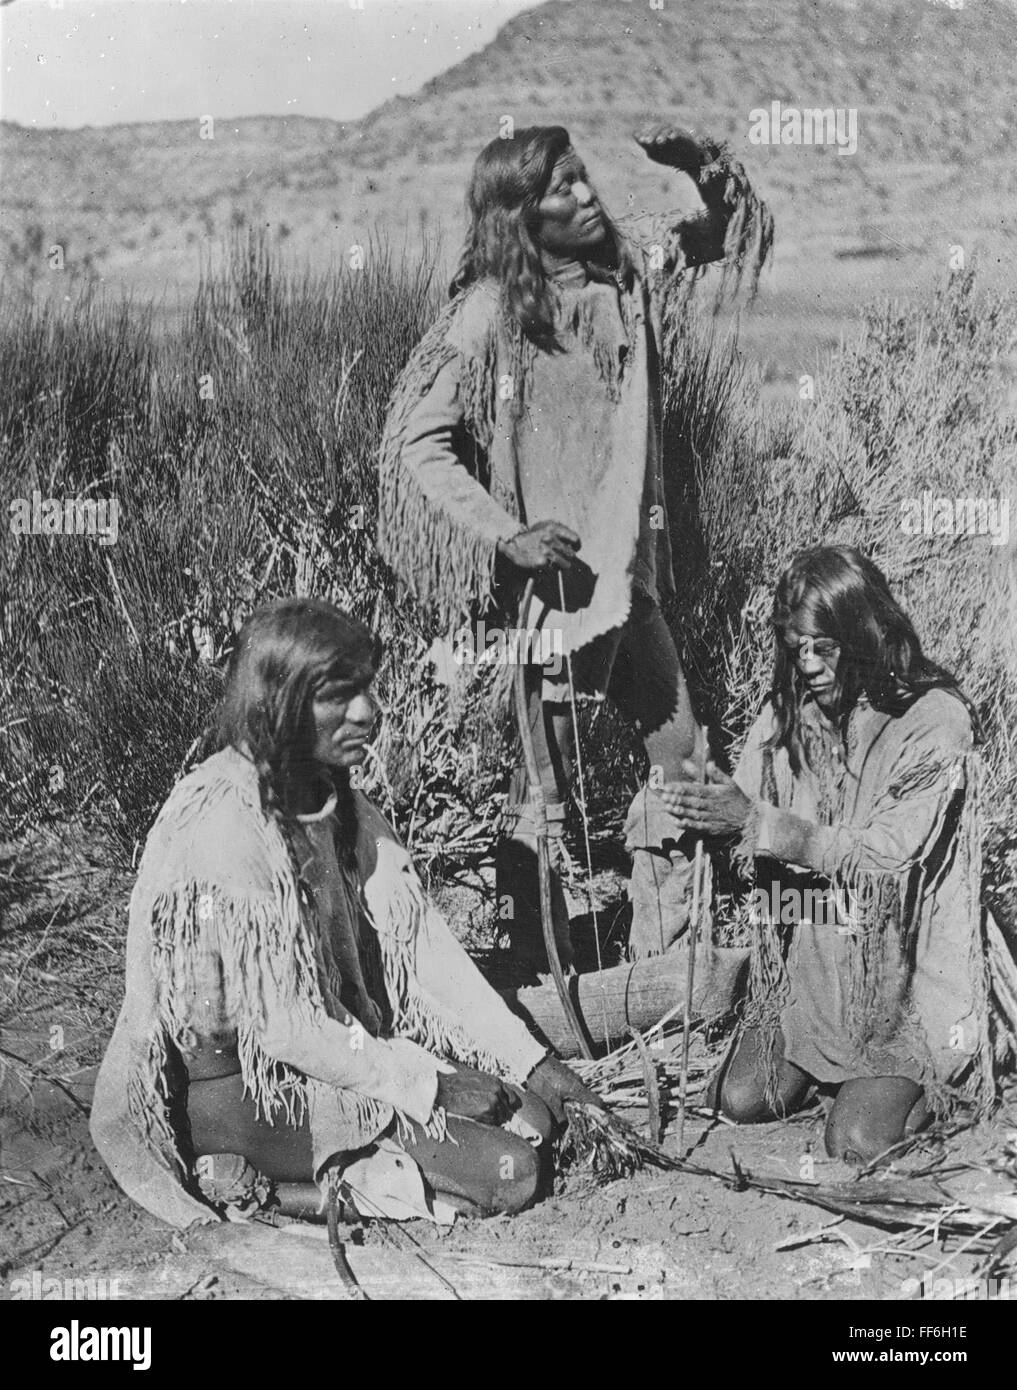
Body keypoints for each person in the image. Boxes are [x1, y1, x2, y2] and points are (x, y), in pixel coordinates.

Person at [378, 122, 772, 974]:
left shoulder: (622, 277)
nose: (586, 196)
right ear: (519, 215)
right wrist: (504, 536)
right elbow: (418, 442)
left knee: (682, 755)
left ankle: (670, 956)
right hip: (552, 595)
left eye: (582, 178)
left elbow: (710, 236)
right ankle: (536, 967)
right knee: (543, 788)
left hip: (625, 577)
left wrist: (707, 172)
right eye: (560, 189)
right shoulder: (490, 311)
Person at [90, 598, 601, 1230]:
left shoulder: (338, 803)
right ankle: (263, 1190)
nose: (370, 713)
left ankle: (337, 1176)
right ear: (278, 703)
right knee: (514, 1171)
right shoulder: (225, 820)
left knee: (538, 1115)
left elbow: (424, 952)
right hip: (245, 1095)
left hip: (339, 1058)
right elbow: (285, 1030)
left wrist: (534, 1064)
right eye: (340, 695)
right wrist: (431, 1085)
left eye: (366, 689)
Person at [658, 546, 995, 1163]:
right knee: (739, 1099)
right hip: (819, 971)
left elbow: (888, 860)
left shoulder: (935, 720)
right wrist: (703, 812)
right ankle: (836, 1070)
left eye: (824, 646)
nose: (808, 664)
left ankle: (936, 1081)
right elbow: (741, 810)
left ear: (863, 632)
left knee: (857, 1140)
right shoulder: (790, 715)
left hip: (909, 977)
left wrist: (763, 826)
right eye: (796, 648)